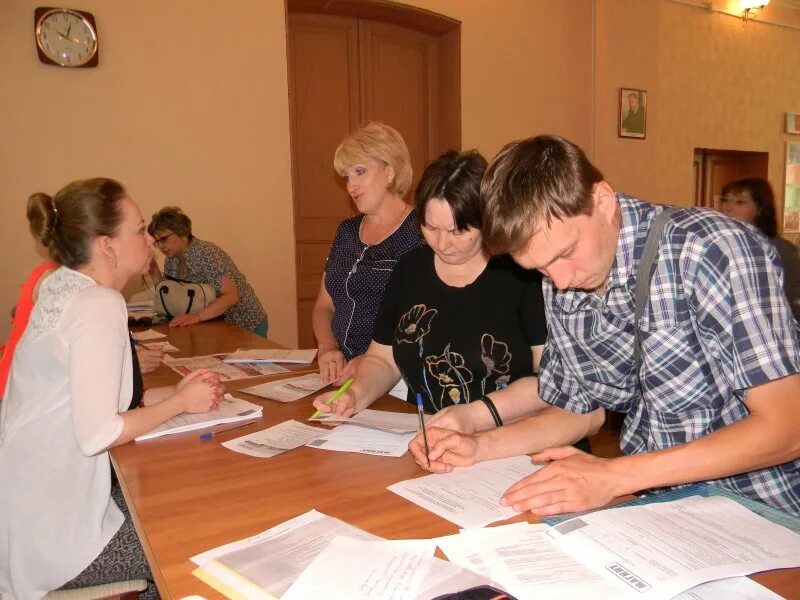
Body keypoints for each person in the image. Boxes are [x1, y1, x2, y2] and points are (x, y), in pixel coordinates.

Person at [477, 134, 800, 517]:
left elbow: (788, 426)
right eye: (540, 268)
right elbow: (578, 409)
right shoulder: (563, 279)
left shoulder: (709, 249)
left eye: (565, 253)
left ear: (603, 200)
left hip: (763, 511)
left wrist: (615, 477)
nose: (559, 281)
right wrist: (479, 446)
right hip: (657, 506)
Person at [0, 178, 225, 599]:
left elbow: (74, 398)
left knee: (161, 505)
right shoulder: (99, 304)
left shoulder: (59, 286)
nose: (148, 239)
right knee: (190, 540)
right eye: (139, 230)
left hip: (21, 519)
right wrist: (178, 401)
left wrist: (170, 401)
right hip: (54, 542)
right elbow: (98, 433)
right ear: (107, 245)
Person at [312, 150, 602, 463]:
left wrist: (475, 417)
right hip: (441, 448)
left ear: (486, 221)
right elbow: (383, 360)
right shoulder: (410, 269)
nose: (442, 243)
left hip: (522, 448)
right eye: (430, 228)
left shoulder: (524, 273)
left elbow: (555, 382)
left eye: (457, 231)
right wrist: (356, 395)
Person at [312, 122, 423, 383]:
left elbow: (425, 323)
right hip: (339, 375)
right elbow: (323, 306)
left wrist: (375, 361)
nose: (351, 186)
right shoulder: (346, 231)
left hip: (396, 379)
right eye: (347, 177)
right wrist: (328, 347)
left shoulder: (421, 232)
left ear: (390, 172)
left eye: (360, 171)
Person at [148, 207, 268, 336]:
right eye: (157, 242)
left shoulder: (207, 253)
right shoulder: (171, 260)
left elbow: (231, 296)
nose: (160, 246)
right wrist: (154, 270)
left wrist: (197, 317)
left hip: (244, 323)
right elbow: (170, 295)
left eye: (163, 239)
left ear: (181, 232)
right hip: (216, 325)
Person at [718, 177, 800, 322]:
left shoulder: (780, 248)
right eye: (725, 200)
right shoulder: (720, 244)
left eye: (740, 202)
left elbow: (789, 297)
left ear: (760, 208)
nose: (727, 207)